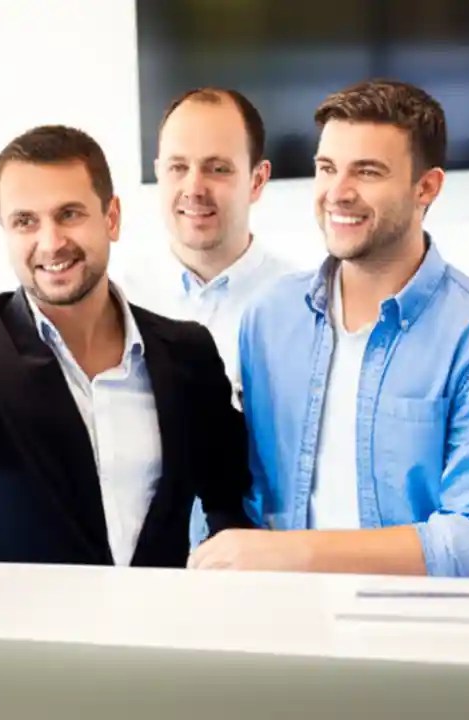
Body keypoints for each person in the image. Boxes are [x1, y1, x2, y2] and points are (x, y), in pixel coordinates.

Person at [189, 79, 469, 577]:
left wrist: (295, 553)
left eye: (367, 171)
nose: (338, 193)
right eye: (326, 168)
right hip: (277, 611)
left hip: (420, 621)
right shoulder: (269, 318)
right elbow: (246, 490)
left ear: (427, 187)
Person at [0, 125, 252, 567]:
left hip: (160, 612)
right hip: (15, 614)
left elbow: (230, 498)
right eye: (25, 222)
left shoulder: (187, 353)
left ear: (111, 218)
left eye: (69, 214)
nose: (51, 242)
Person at [118, 87, 296, 549]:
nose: (194, 187)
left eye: (218, 168)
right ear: (159, 172)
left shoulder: (304, 307)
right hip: (144, 574)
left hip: (268, 565)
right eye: (178, 167)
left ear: (257, 180)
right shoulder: (114, 304)